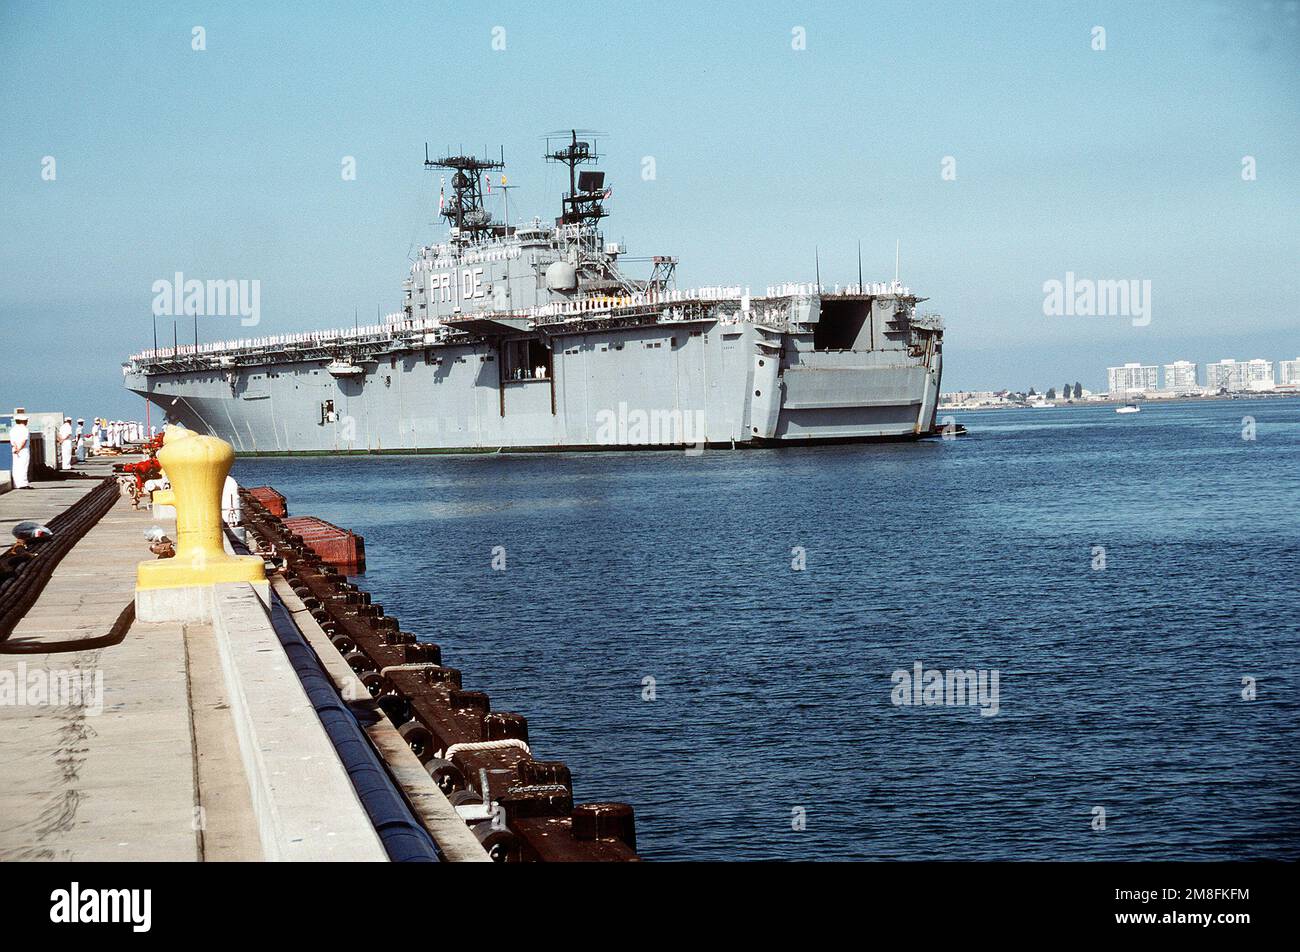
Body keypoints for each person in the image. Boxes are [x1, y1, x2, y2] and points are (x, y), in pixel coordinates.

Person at [9, 412, 32, 489]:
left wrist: (16, 448)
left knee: (16, 466)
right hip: (23, 450)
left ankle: (17, 484)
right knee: (23, 466)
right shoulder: (25, 429)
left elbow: (13, 441)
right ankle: (23, 484)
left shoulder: (13, 430)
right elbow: (24, 441)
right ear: (23, 421)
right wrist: (19, 449)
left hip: (15, 449)